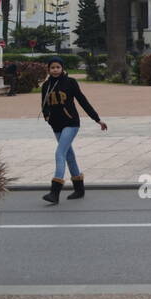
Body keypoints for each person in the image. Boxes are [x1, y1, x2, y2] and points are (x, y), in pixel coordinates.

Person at [39, 56, 107, 204]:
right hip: (56, 124)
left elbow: (82, 101)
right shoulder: (46, 85)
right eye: (52, 67)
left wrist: (97, 119)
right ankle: (79, 189)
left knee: (59, 153)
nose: (55, 70)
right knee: (69, 156)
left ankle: (55, 191)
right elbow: (44, 104)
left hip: (71, 123)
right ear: (48, 69)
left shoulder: (70, 82)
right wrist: (47, 116)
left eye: (58, 67)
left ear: (62, 68)